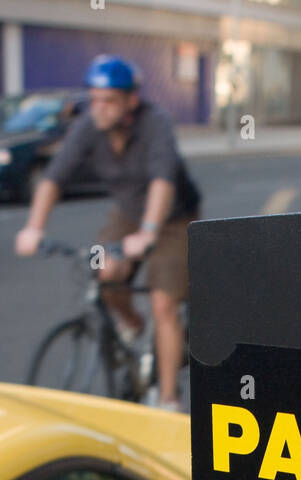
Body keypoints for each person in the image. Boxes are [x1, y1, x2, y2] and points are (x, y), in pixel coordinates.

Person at [15, 55, 201, 410]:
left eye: (109, 100)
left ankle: (167, 398)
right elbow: (54, 177)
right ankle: (132, 323)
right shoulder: (89, 126)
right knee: (106, 270)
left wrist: (148, 233)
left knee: (163, 301)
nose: (98, 108)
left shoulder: (155, 123)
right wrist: (33, 228)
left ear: (131, 100)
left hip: (173, 217)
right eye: (94, 99)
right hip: (128, 213)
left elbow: (163, 181)